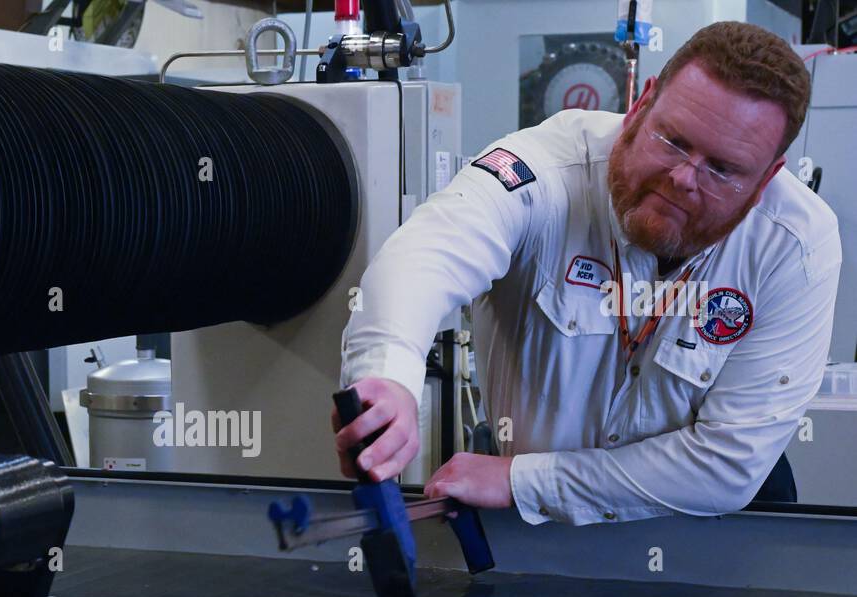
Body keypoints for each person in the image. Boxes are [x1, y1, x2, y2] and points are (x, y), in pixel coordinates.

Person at [335, 21, 841, 525]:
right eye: (673, 140)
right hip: (538, 524)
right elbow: (426, 255)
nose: (683, 178)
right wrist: (388, 375)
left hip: (715, 532)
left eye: (722, 170)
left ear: (767, 179)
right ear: (640, 105)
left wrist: (524, 481)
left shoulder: (794, 244)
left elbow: (727, 465)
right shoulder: (546, 171)